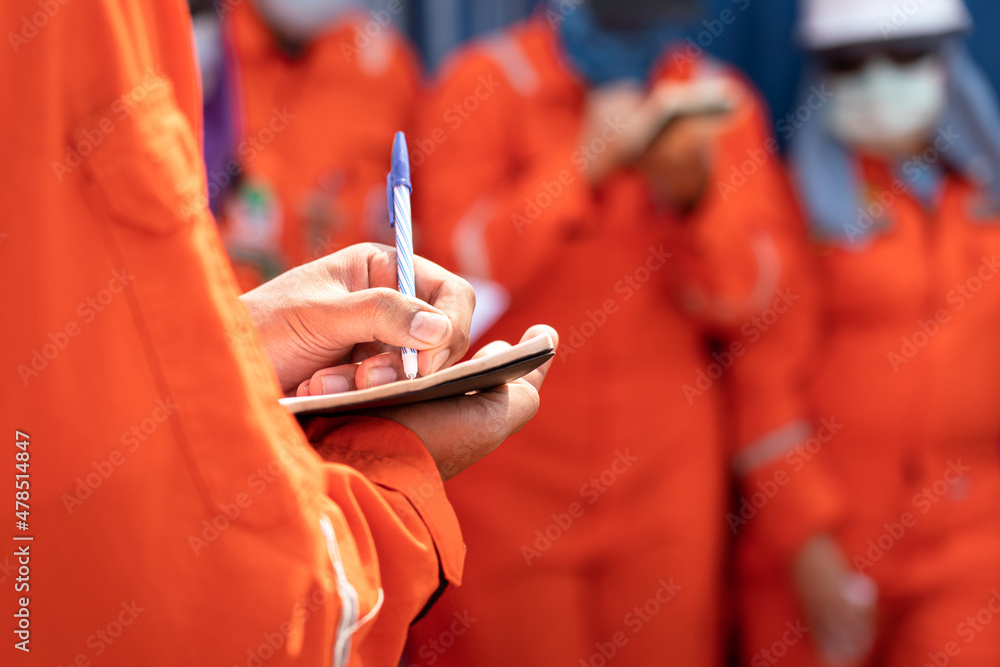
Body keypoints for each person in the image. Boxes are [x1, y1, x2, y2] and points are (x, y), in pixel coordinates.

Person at [0, 1, 556, 664]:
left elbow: (85, 364)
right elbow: (257, 616)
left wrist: (238, 346)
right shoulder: (118, 35)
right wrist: (398, 468)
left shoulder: (378, 70)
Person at [406, 1, 830, 665]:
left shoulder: (716, 103)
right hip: (508, 473)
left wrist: (696, 197)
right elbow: (451, 280)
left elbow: (754, 300)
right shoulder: (483, 84)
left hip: (665, 482)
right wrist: (583, 165)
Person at [736, 0, 1000, 665]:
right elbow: (764, 382)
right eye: (852, 64)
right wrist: (806, 541)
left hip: (974, 545)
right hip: (830, 541)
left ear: (946, 62)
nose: (880, 80)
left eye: (908, 56)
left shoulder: (984, 199)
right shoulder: (790, 206)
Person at [200, 0, 422, 289]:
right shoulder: (204, 53)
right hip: (233, 314)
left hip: (357, 320)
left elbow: (425, 224)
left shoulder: (385, 66)